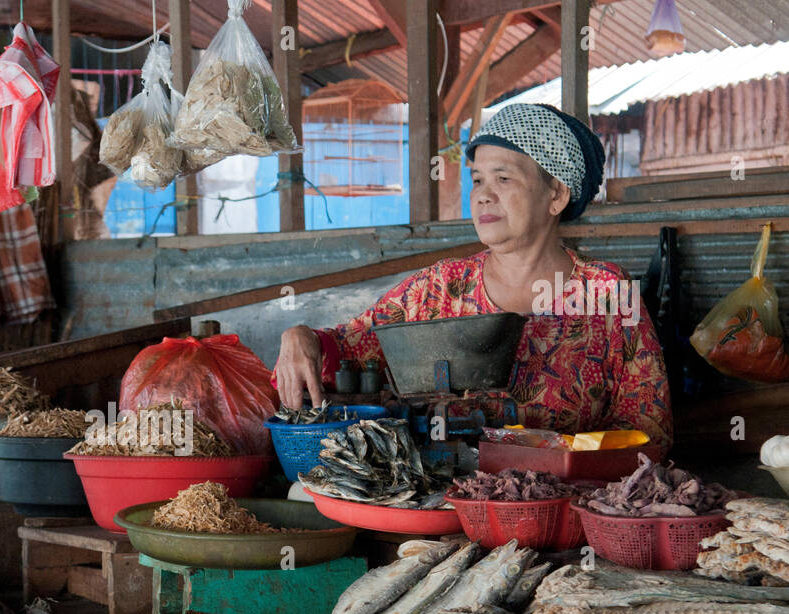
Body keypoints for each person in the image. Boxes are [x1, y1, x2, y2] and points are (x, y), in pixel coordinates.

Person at [274, 103, 673, 449]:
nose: (483, 194)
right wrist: (301, 337)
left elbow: (648, 431)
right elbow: (346, 349)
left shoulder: (607, 293)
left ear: (557, 195)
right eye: (477, 179)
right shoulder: (439, 288)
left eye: (503, 178)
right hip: (445, 510)